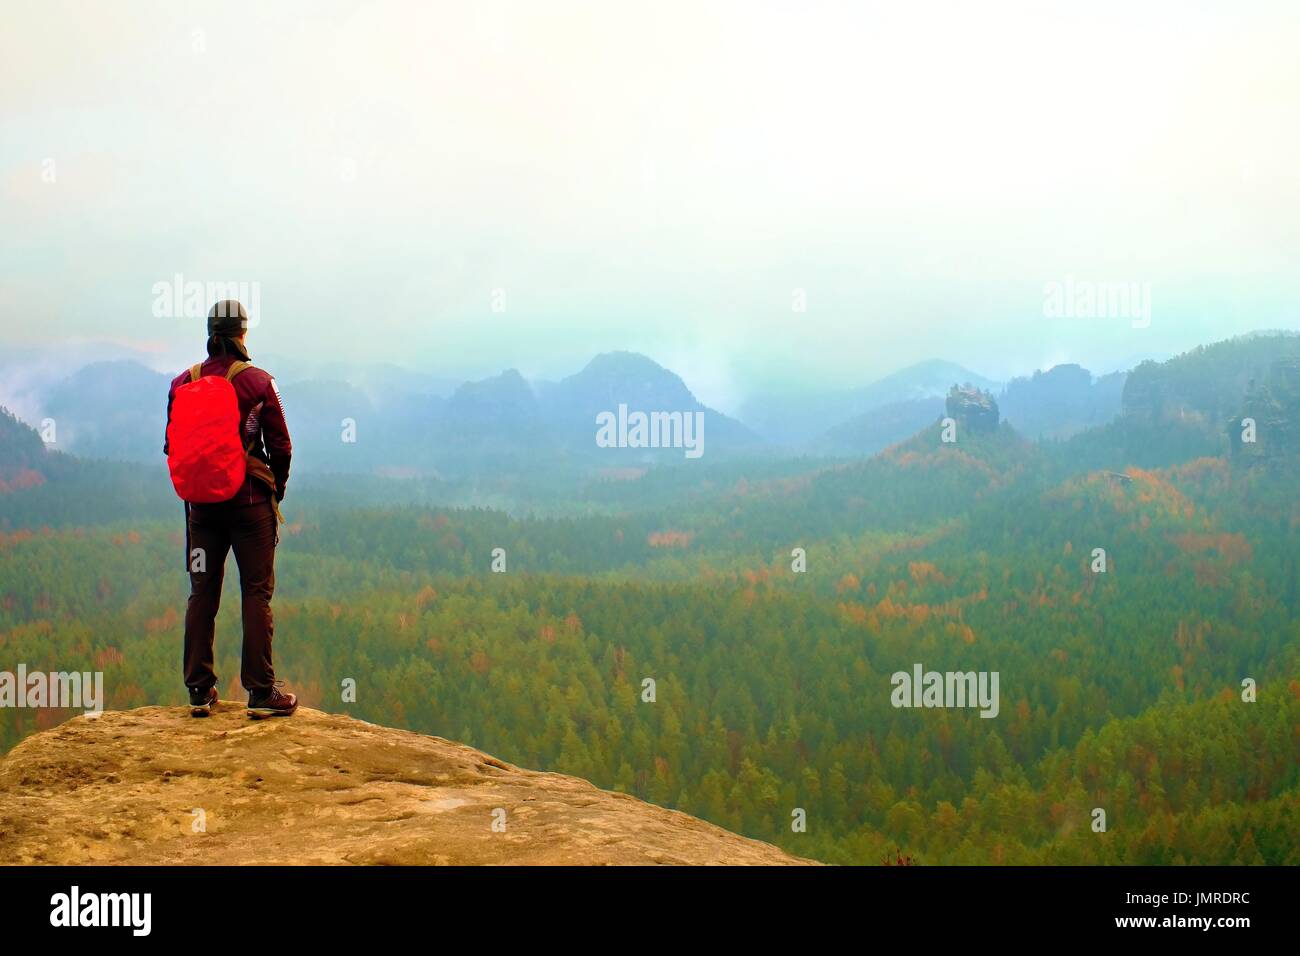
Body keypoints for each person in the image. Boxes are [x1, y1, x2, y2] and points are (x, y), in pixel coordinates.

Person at [164, 300, 298, 718]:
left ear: (209, 333)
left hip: (201, 509)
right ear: (242, 334)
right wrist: (275, 486)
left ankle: (200, 689)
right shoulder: (258, 382)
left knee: (202, 592)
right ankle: (260, 692)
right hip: (250, 506)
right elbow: (281, 446)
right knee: (256, 592)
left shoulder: (182, 383)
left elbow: (172, 446)